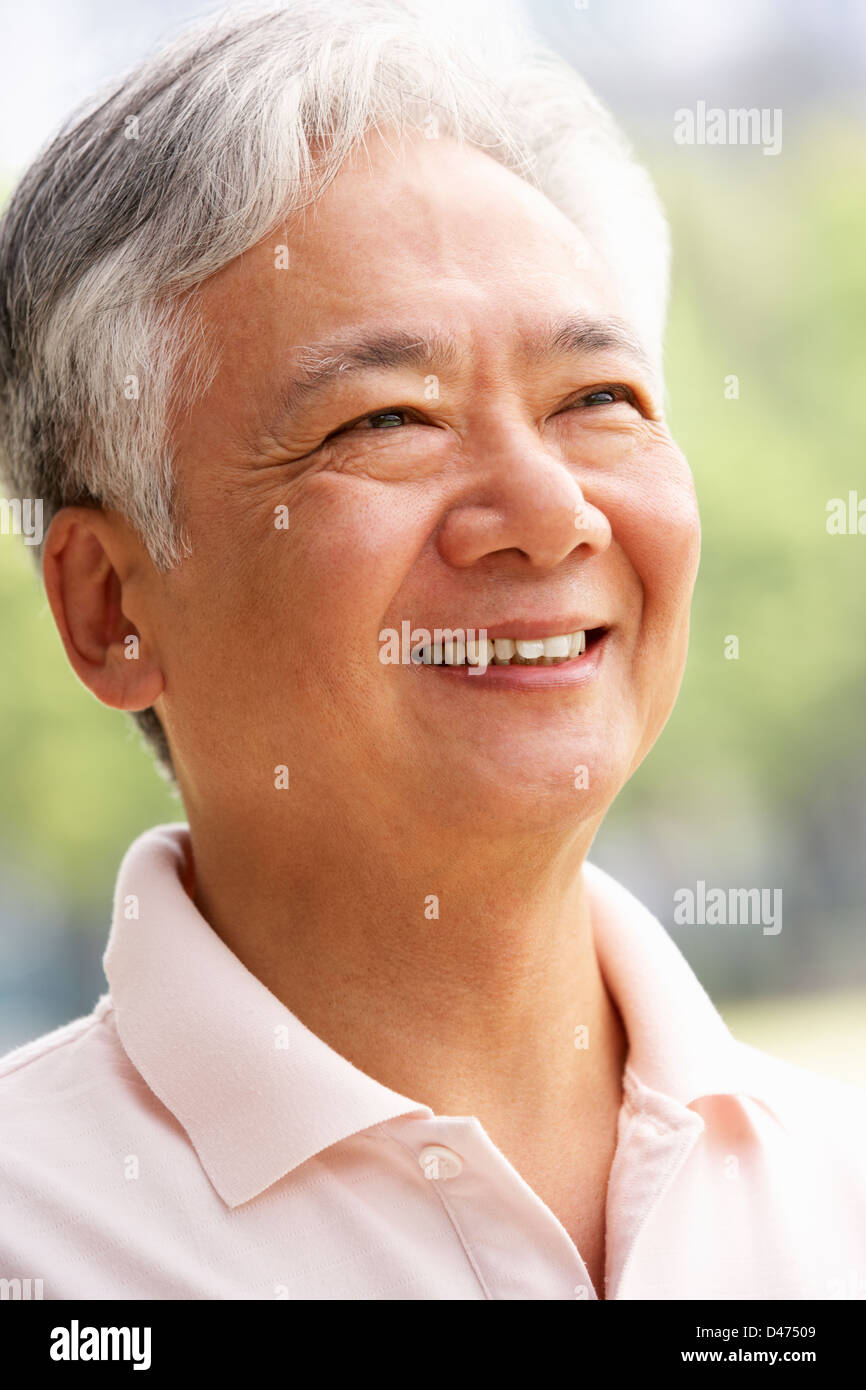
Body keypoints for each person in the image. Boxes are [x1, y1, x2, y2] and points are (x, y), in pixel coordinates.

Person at [0, 0, 863, 1301]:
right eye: (387, 418)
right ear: (109, 603)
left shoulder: (834, 1193)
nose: (547, 511)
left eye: (596, 400)